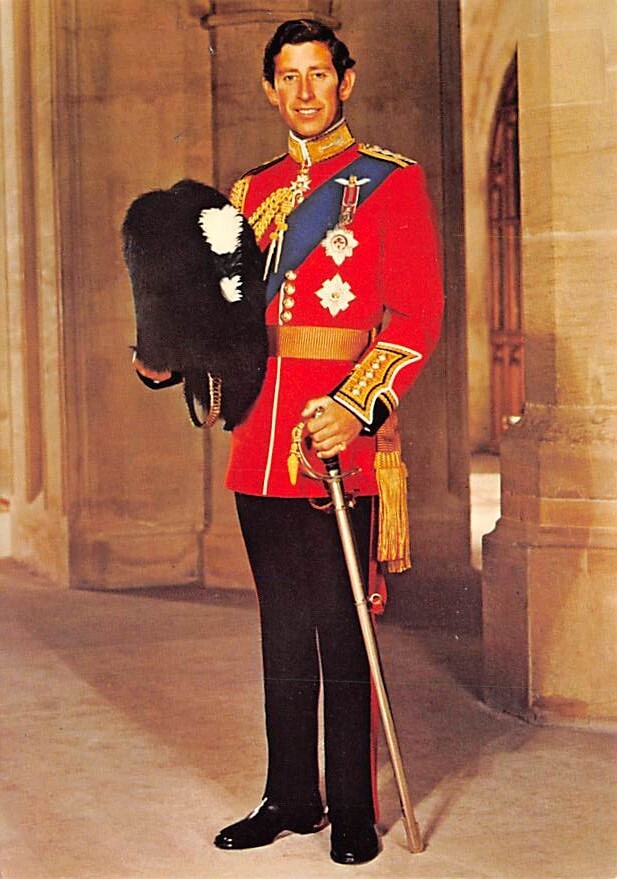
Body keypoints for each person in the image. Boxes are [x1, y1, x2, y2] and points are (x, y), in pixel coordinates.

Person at [135, 18, 442, 866]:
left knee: (340, 625)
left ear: (344, 80)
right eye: (288, 77)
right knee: (279, 625)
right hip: (260, 436)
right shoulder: (249, 190)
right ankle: (289, 794)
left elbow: (415, 319)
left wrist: (356, 405)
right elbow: (228, 314)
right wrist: (171, 355)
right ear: (270, 89)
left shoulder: (391, 183)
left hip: (339, 436)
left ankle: (348, 803)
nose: (304, 92)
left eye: (319, 74)